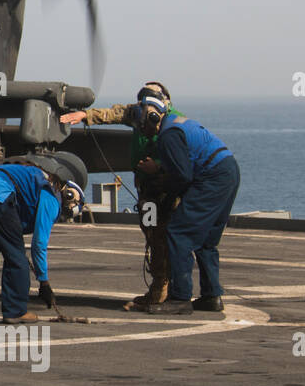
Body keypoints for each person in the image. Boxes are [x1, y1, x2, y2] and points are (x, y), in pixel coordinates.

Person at [61, 80, 179, 311]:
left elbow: (182, 153)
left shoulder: (173, 123)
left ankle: (168, 290)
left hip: (167, 189)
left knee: (168, 238)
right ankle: (159, 287)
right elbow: (113, 113)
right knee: (151, 236)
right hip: (147, 191)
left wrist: (158, 165)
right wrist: (85, 116)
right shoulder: (138, 114)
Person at [134, 96, 240, 314]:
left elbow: (182, 177)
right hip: (228, 170)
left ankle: (180, 299)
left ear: (153, 118)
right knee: (206, 239)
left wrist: (166, 197)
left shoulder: (167, 136)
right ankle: (211, 296)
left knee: (178, 233)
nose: (142, 131)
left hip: (212, 177)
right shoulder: (176, 122)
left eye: (142, 125)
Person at [0, 160, 84, 323]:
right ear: (69, 198)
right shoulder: (53, 196)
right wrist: (44, 282)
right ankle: (15, 310)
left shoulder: (39, 179)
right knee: (16, 258)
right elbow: (39, 244)